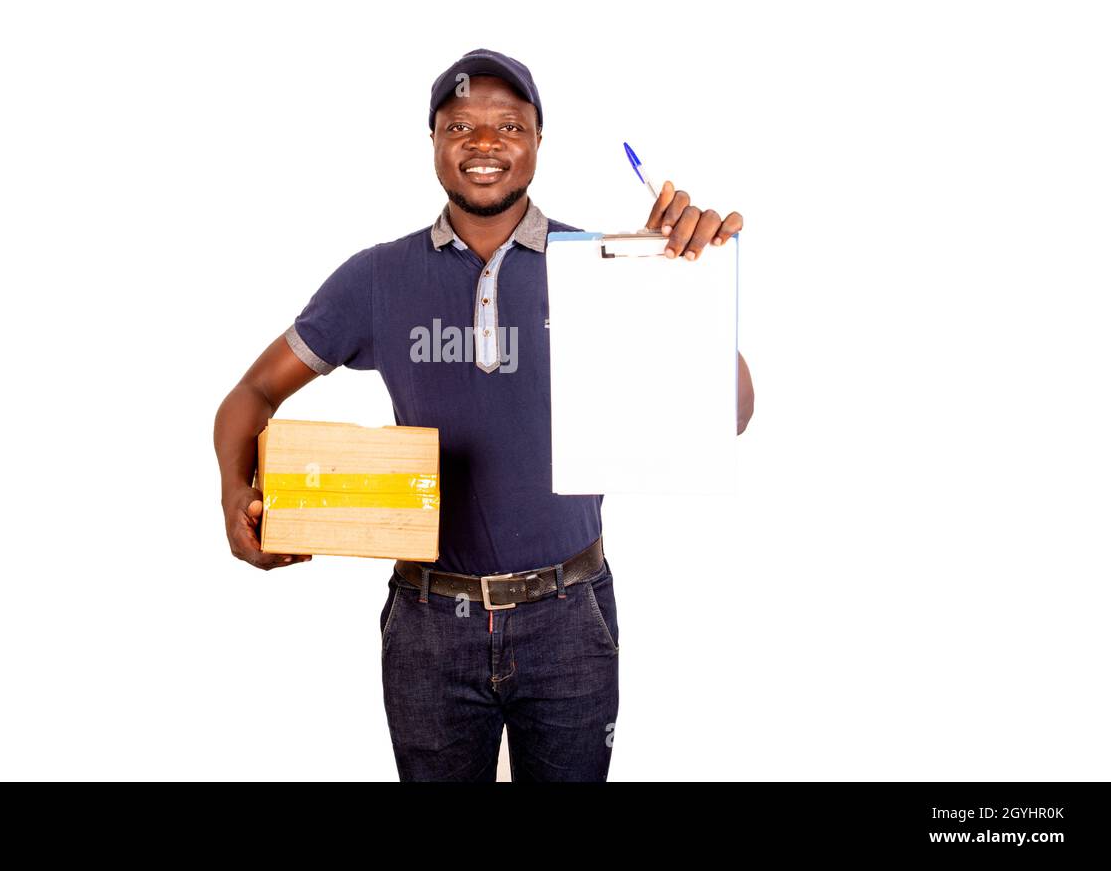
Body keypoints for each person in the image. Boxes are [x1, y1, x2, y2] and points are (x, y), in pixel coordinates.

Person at [213, 48, 755, 781]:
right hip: (429, 623)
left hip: (570, 615)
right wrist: (234, 495)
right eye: (460, 124)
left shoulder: (602, 264)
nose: (485, 142)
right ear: (434, 141)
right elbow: (249, 396)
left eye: (510, 124)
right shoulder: (378, 276)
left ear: (537, 141)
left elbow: (729, 410)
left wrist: (683, 282)